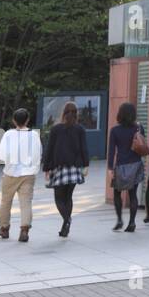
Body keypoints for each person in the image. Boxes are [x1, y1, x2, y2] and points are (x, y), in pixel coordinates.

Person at [0, 108, 41, 242]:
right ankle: (24, 229)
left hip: (10, 173)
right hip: (29, 173)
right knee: (26, 203)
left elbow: (1, 155)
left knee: (6, 201)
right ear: (28, 120)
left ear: (14, 120)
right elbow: (39, 153)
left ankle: (4, 228)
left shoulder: (9, 134)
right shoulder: (34, 135)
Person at [41, 101, 89, 238]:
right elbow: (84, 148)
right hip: (74, 169)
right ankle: (65, 225)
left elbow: (49, 149)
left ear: (63, 113)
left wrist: (47, 167)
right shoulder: (80, 129)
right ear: (76, 114)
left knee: (58, 198)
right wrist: (86, 165)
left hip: (59, 168)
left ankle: (67, 220)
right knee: (68, 197)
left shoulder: (56, 129)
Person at [107, 102, 146, 232]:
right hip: (135, 164)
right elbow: (142, 144)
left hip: (121, 165)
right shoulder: (138, 128)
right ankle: (132, 222)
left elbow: (111, 151)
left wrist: (110, 169)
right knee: (133, 194)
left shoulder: (115, 130)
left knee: (117, 193)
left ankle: (119, 220)